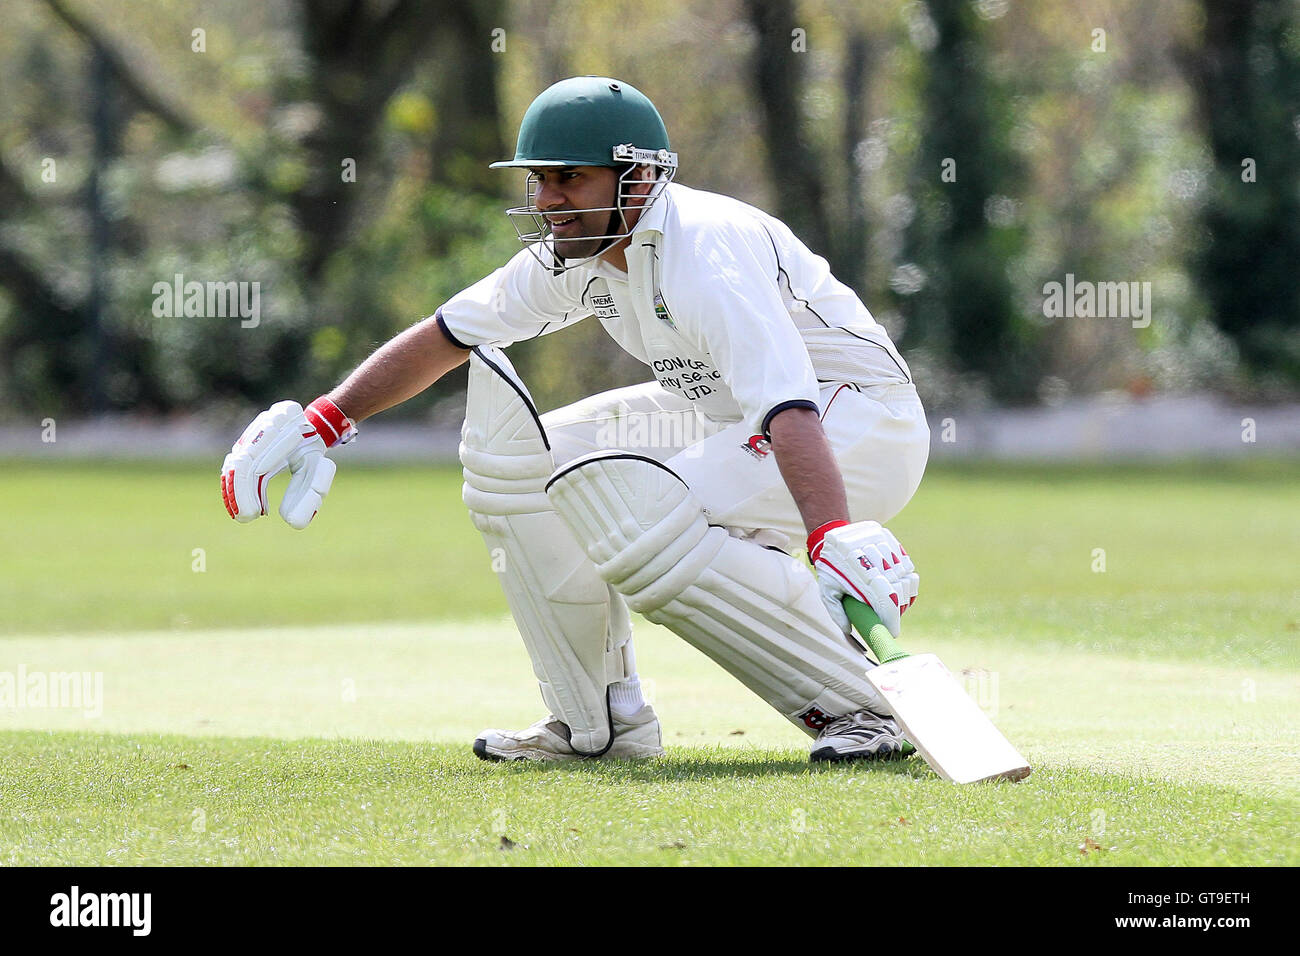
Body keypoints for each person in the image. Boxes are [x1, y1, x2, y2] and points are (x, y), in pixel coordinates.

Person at [219, 76, 930, 764]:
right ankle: (599, 722)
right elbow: (449, 334)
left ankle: (862, 711)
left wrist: (831, 534)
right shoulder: (580, 251)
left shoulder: (707, 249)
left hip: (858, 425)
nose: (549, 200)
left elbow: (787, 403)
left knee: (645, 511)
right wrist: (324, 419)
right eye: (540, 180)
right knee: (532, 463)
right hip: (730, 419)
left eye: (570, 178)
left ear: (641, 180)